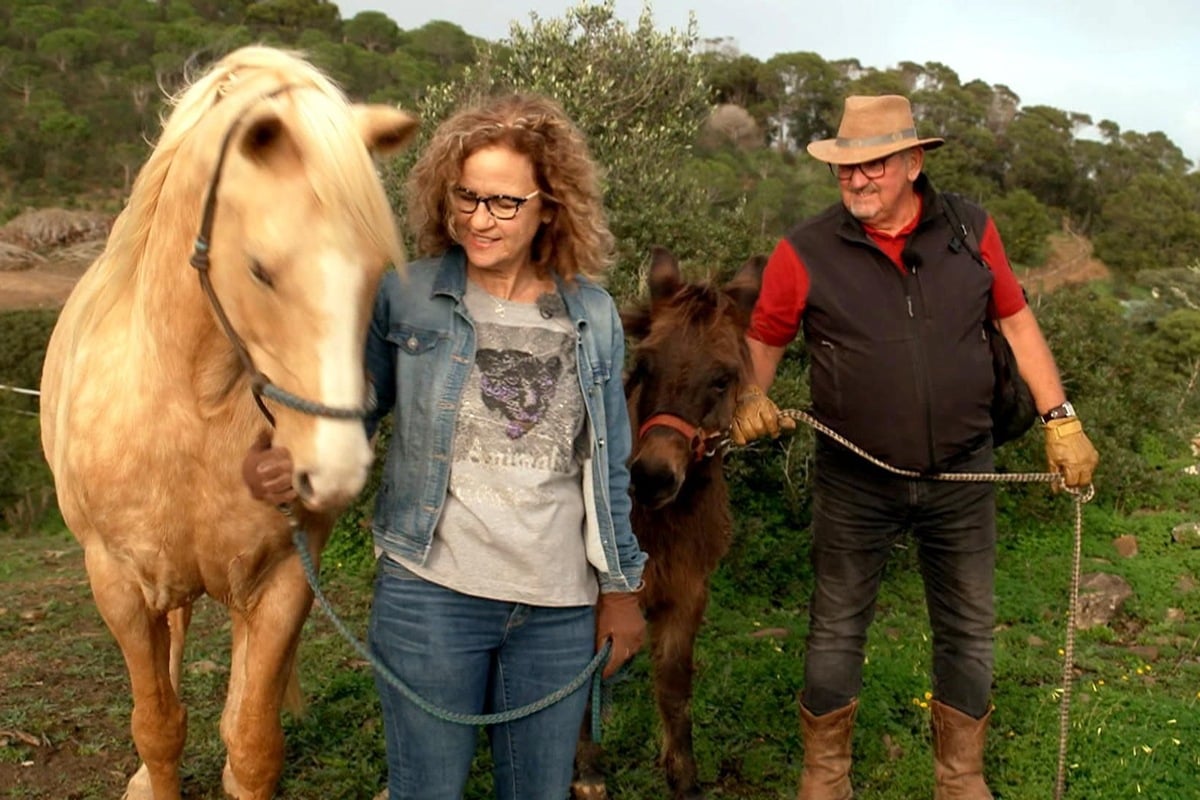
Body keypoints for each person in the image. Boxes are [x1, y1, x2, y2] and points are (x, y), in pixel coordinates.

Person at [243, 93, 648, 800]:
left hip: (557, 607)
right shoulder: (408, 294)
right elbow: (353, 413)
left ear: (549, 206)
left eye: (503, 203)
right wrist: (287, 461)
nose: (478, 220)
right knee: (426, 789)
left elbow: (606, 462)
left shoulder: (593, 312)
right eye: (465, 197)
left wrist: (621, 591)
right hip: (431, 594)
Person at [729, 94, 1099, 800]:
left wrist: (1062, 419)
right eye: (846, 169)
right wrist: (750, 396)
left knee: (967, 626)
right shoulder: (802, 251)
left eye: (872, 166)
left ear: (913, 162)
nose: (857, 180)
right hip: (854, 474)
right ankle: (824, 778)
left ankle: (961, 779)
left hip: (964, 470)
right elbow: (764, 342)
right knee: (836, 626)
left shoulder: (970, 229)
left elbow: (1018, 325)